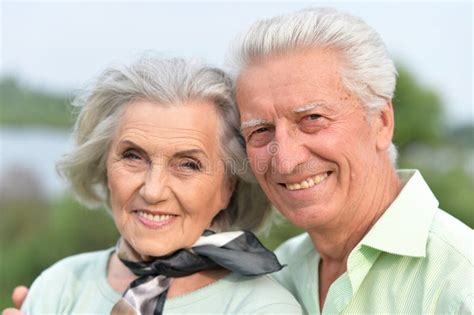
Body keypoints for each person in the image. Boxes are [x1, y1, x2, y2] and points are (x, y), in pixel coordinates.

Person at [9, 57, 302, 315]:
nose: (153, 191)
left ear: (229, 186)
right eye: (133, 156)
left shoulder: (264, 308)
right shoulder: (60, 285)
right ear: (104, 165)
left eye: (188, 164)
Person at [231, 7, 473, 315]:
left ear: (381, 122)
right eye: (261, 130)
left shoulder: (462, 282)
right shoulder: (276, 275)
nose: (286, 161)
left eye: (313, 118)